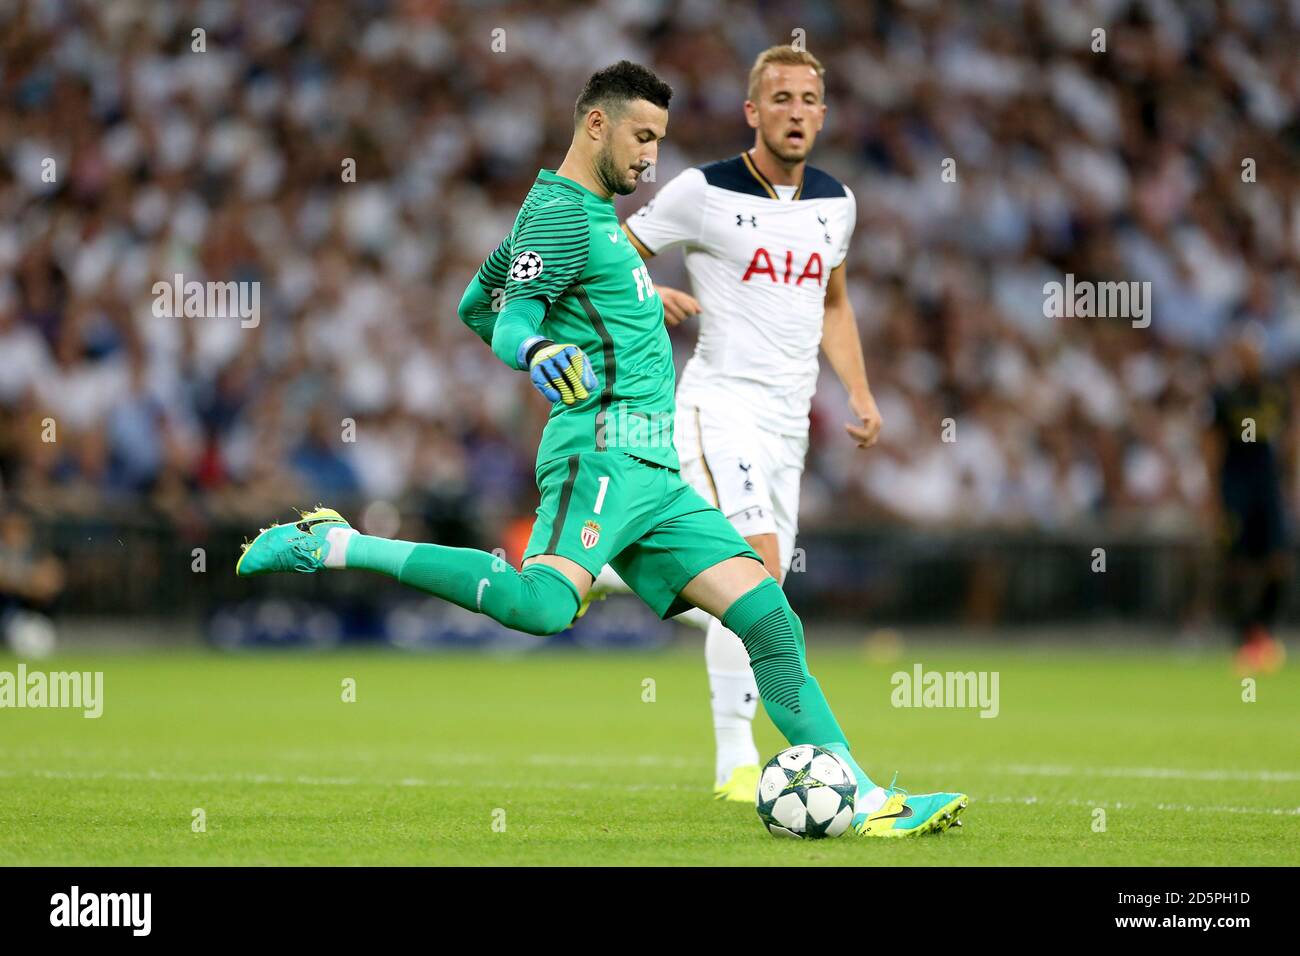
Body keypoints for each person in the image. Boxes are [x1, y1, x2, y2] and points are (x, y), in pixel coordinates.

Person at [238, 60, 965, 836]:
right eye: (642, 137)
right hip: (604, 453)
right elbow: (511, 318)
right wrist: (538, 352)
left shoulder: (580, 217)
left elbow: (471, 302)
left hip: (657, 471)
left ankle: (867, 798)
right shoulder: (557, 213)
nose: (651, 157)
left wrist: (638, 309)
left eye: (660, 140)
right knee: (543, 605)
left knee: (769, 618)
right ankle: (340, 545)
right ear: (596, 125)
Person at [585, 45, 881, 801]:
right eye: (779, 98)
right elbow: (610, 249)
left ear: (823, 111)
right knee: (760, 585)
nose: (795, 111)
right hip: (720, 407)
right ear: (753, 111)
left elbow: (835, 302)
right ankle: (739, 760)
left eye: (808, 99)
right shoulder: (702, 191)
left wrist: (860, 390)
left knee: (760, 588)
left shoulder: (835, 203)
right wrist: (652, 290)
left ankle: (603, 570)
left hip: (789, 425)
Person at [1206, 325, 1289, 674]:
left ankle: (1263, 632)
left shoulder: (1274, 393)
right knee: (1237, 563)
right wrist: (1213, 496)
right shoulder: (1225, 397)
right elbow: (1212, 445)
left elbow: (1288, 437)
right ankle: (1244, 639)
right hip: (1236, 485)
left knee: (1277, 561)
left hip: (1267, 485)